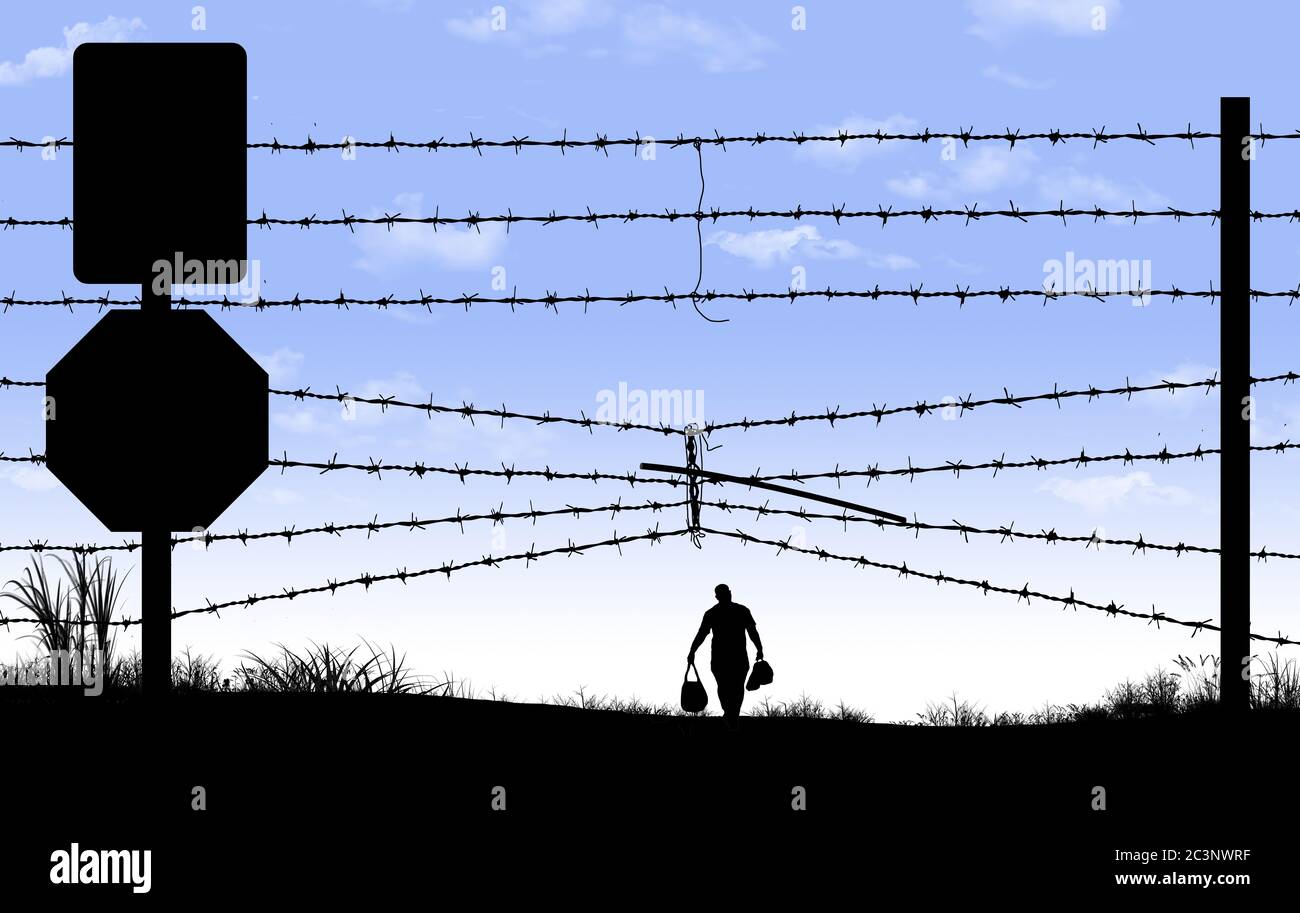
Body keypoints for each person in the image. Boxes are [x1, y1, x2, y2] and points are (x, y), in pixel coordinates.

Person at [687, 584, 764, 729]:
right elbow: (702, 633)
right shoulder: (724, 612)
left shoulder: (733, 611)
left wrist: (759, 648)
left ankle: (731, 715)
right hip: (726, 658)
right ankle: (731, 715)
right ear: (718, 597)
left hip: (731, 658)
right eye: (724, 593)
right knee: (727, 687)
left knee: (731, 687)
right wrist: (692, 651)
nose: (727, 595)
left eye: (727, 592)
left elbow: (752, 631)